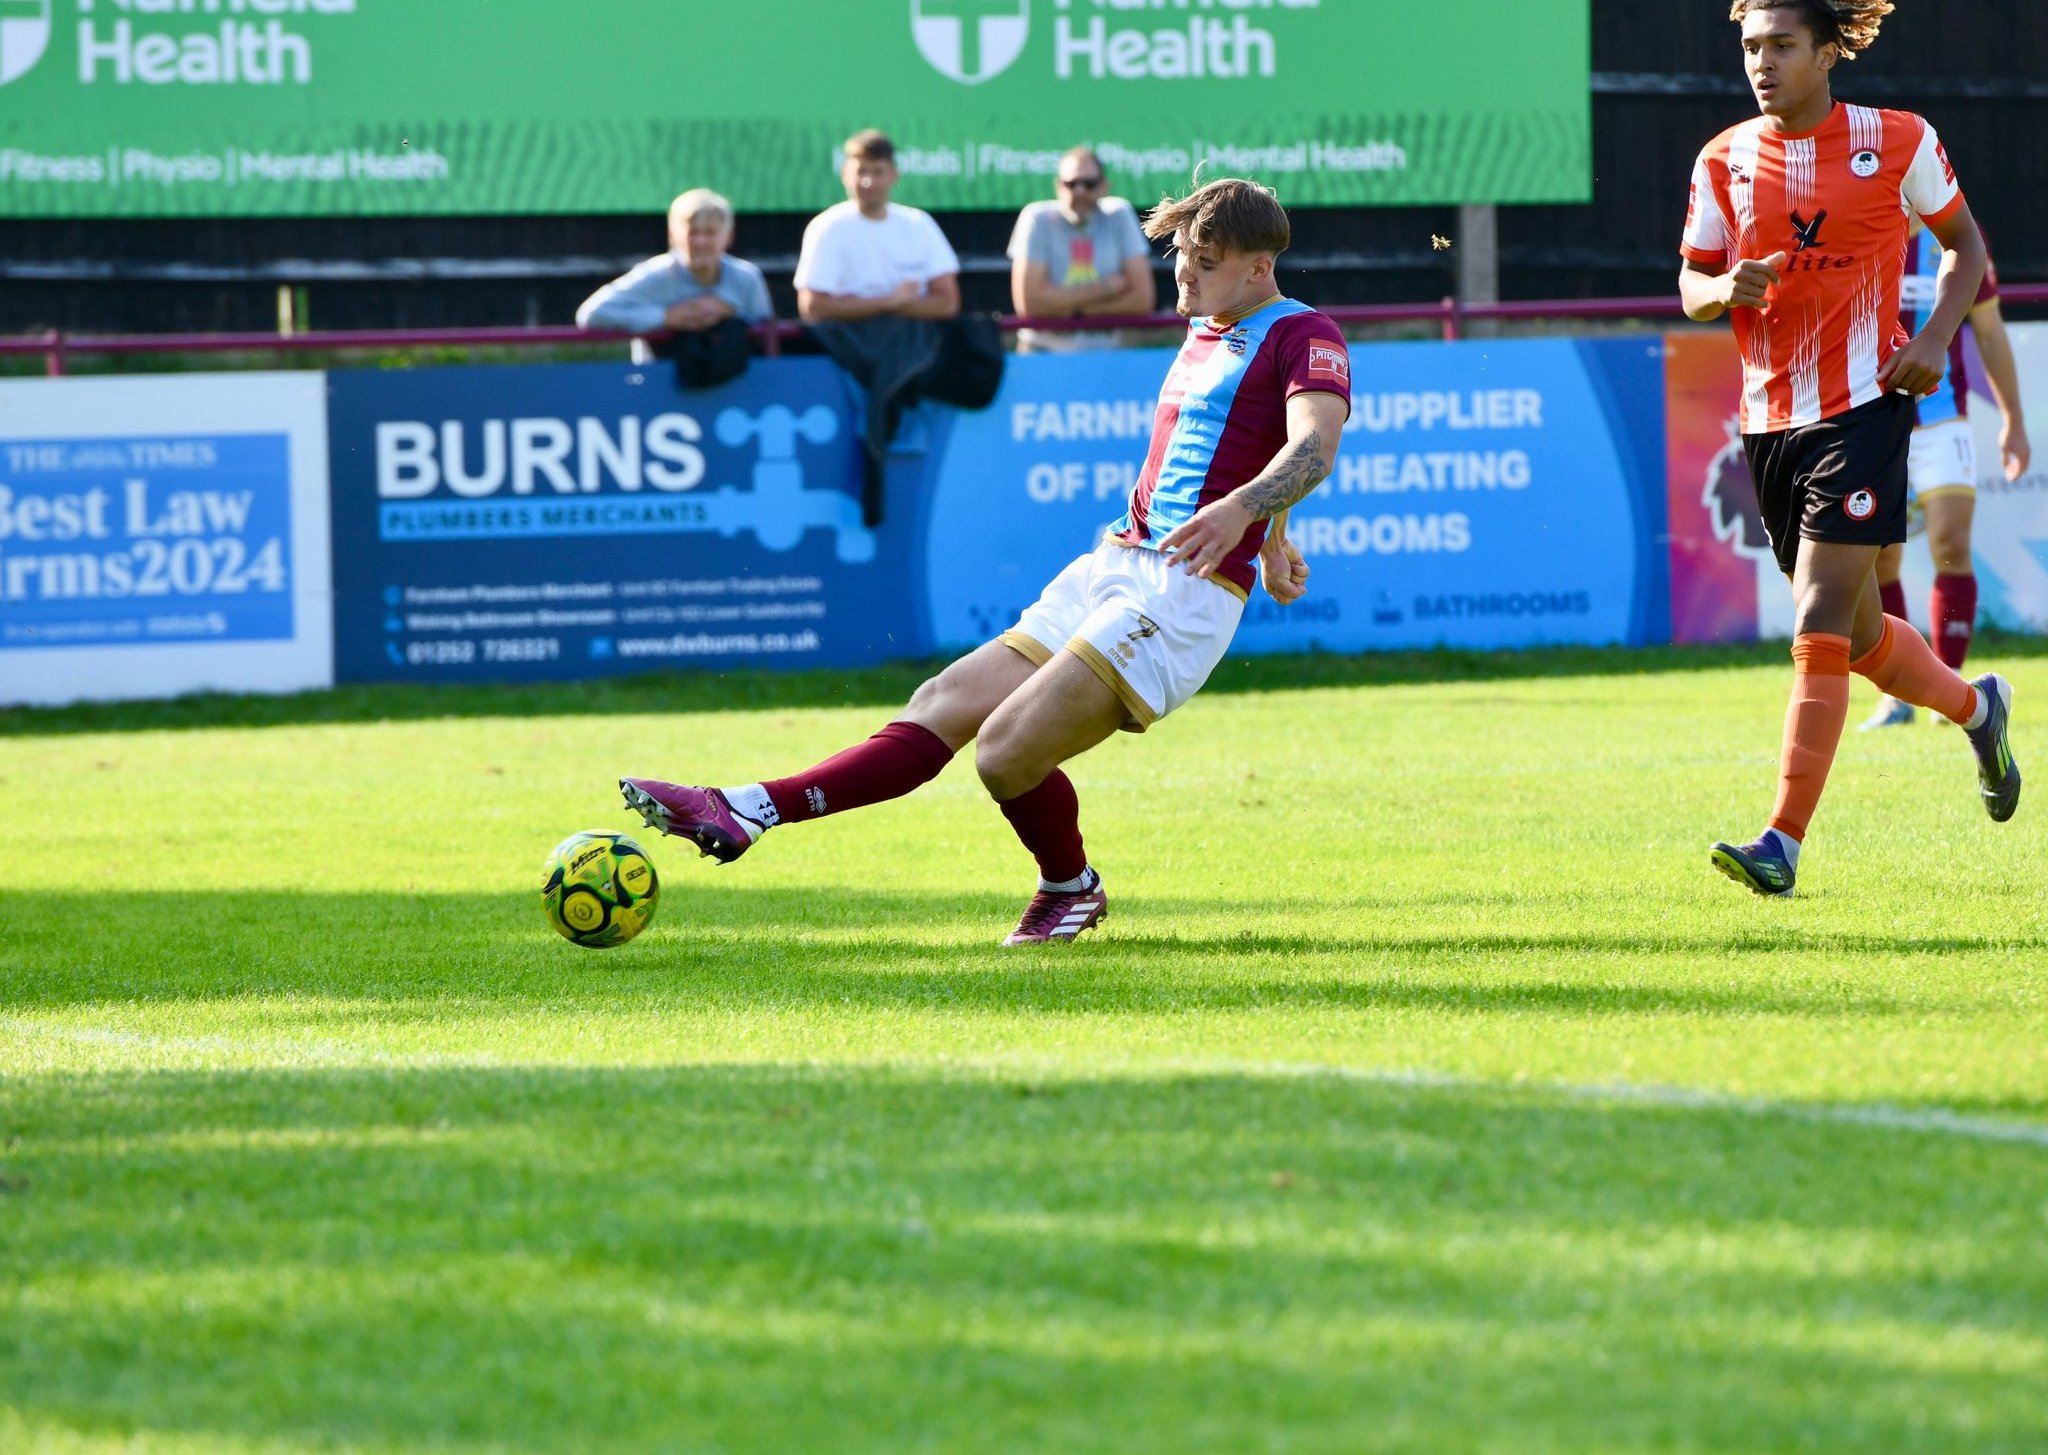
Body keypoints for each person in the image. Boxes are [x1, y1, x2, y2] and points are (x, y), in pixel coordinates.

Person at [623, 178, 1351, 944]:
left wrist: (1247, 515)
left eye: (1205, 260)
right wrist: (1272, 533)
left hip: (1181, 596)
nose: (1184, 273)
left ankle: (1068, 886)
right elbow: (1258, 441)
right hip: (1116, 561)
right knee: (943, 697)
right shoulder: (1210, 327)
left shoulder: (1306, 333)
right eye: (1180, 255)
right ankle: (744, 807)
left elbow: (1312, 444)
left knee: (1004, 754)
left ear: (1260, 266)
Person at [1679, 0, 2019, 898]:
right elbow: (1687, 285)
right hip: (1767, 426)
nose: (1762, 62)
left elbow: (1965, 244)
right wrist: (1723, 286)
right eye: (1751, 46)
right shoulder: (1722, 157)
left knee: (1819, 622)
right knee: (1863, 636)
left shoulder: (1898, 139)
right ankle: (1979, 708)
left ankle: (1781, 841)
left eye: (1782, 46)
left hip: (1865, 410)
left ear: (1829, 51)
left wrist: (1935, 337)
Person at [1860, 218, 2032, 728]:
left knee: (1952, 542)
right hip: (1870, 420)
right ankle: (1897, 697)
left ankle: (1950, 689)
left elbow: (1990, 330)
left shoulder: (1958, 233)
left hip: (1943, 417)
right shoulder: (1858, 217)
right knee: (1880, 561)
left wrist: (2014, 422)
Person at [575, 189, 773, 363]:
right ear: (673, 235)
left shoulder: (748, 277)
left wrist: (730, 314)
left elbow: (767, 334)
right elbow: (591, 314)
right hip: (657, 394)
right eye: (692, 232)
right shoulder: (652, 275)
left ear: (728, 237)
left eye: (710, 233)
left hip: (734, 390)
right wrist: (665, 317)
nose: (700, 242)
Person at [794, 130, 960, 325]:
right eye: (861, 171)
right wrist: (889, 302)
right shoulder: (826, 227)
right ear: (844, 175)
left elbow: (948, 303)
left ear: (893, 175)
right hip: (850, 349)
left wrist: (878, 305)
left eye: (877, 172)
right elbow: (812, 307)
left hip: (915, 350)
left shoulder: (919, 224)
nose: (868, 181)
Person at [1008, 146, 1159, 353]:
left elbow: (1142, 300)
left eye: (1089, 184)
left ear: (1104, 186)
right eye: (1071, 184)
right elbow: (1029, 306)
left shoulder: (1120, 213)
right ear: (1058, 186)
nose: (1079, 191)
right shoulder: (1035, 218)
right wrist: (1105, 289)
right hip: (1043, 352)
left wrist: (1069, 309)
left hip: (1109, 354)